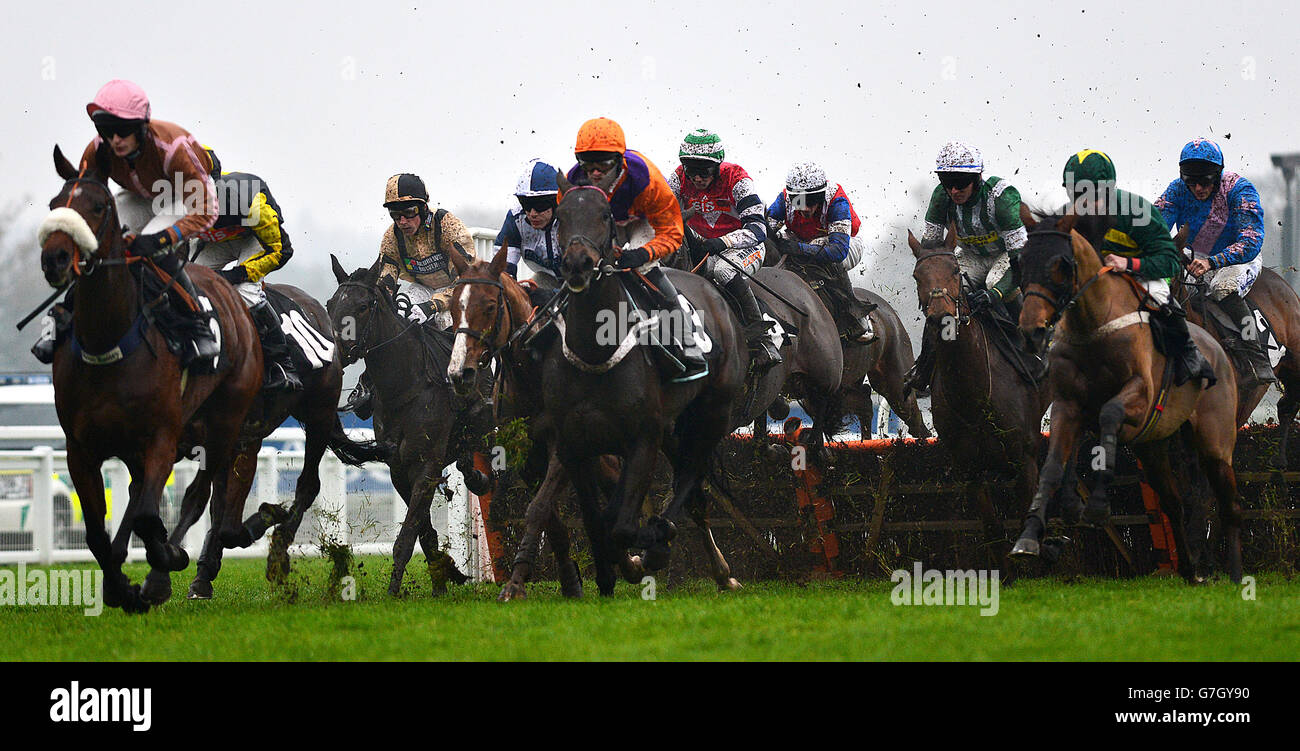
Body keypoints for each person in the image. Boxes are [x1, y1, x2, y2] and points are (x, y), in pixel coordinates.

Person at [33, 80, 220, 369]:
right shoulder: (97, 150)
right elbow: (87, 195)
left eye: (123, 131)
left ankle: (198, 323)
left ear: (142, 126)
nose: (115, 140)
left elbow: (207, 210)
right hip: (138, 195)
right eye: (106, 131)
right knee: (99, 243)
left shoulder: (174, 147)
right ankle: (63, 314)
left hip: (182, 195)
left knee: (153, 244)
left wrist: (163, 239)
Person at [565, 116, 705, 380]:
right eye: (588, 163)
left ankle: (687, 342)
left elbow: (673, 231)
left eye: (603, 164)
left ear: (619, 160)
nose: (595, 172)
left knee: (644, 267)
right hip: (604, 224)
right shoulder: (574, 180)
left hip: (643, 221)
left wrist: (643, 253)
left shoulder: (646, 178)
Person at [1063, 149, 1214, 385]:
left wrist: (1128, 264)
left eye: (1092, 195)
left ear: (1108, 189)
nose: (1085, 203)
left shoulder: (1137, 212)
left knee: (1160, 299)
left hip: (1143, 274)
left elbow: (1171, 262)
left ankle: (1190, 356)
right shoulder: (1070, 216)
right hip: (1098, 279)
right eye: (1077, 195)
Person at [344, 173, 476, 417]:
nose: (402, 221)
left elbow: (464, 281)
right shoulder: (391, 237)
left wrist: (433, 306)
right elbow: (387, 277)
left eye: (408, 213)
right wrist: (390, 302)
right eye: (395, 215)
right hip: (421, 287)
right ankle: (369, 381)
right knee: (396, 316)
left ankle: (458, 388)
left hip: (458, 292)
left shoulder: (449, 227)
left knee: (443, 321)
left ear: (424, 208)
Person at [904, 141, 1029, 396]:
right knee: (943, 296)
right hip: (971, 255)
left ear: (977, 178)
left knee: (994, 283)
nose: (953, 190)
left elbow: (1021, 260)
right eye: (947, 182)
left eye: (960, 182)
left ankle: (1033, 351)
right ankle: (926, 365)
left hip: (1007, 255)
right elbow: (932, 249)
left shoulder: (1002, 199)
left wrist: (993, 295)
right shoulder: (942, 196)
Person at [1155, 138, 1275, 385]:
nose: (1198, 188)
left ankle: (1255, 355)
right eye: (1191, 181)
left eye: (1205, 181)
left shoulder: (1239, 190)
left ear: (1218, 175)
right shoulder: (1177, 190)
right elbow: (1154, 225)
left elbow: (1251, 240)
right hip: (1194, 259)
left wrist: (1213, 261)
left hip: (1238, 259)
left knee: (1222, 287)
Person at [669, 128, 781, 371]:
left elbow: (758, 229)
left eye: (704, 171)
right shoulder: (677, 179)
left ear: (718, 166)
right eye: (691, 170)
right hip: (701, 247)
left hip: (744, 246)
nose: (697, 178)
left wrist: (724, 242)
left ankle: (762, 339)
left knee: (722, 272)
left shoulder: (737, 180)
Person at [193, 148, 302, 391]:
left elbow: (281, 251)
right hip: (214, 239)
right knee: (183, 282)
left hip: (253, 239)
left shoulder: (250, 204)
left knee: (245, 292)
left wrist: (237, 274)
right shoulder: (170, 198)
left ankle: (282, 363)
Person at [766, 160, 875, 343]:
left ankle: (856, 313)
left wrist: (799, 248)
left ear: (821, 195)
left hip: (846, 244)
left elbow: (838, 251)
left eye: (812, 201)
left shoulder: (836, 202)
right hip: (802, 240)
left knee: (821, 252)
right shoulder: (786, 199)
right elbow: (766, 231)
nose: (806, 208)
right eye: (800, 201)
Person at [495, 158, 562, 306]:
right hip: (547, 278)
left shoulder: (571, 216)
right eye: (526, 204)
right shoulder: (515, 220)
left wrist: (554, 295)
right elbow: (504, 274)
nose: (532, 213)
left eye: (540, 205)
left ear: (555, 201)